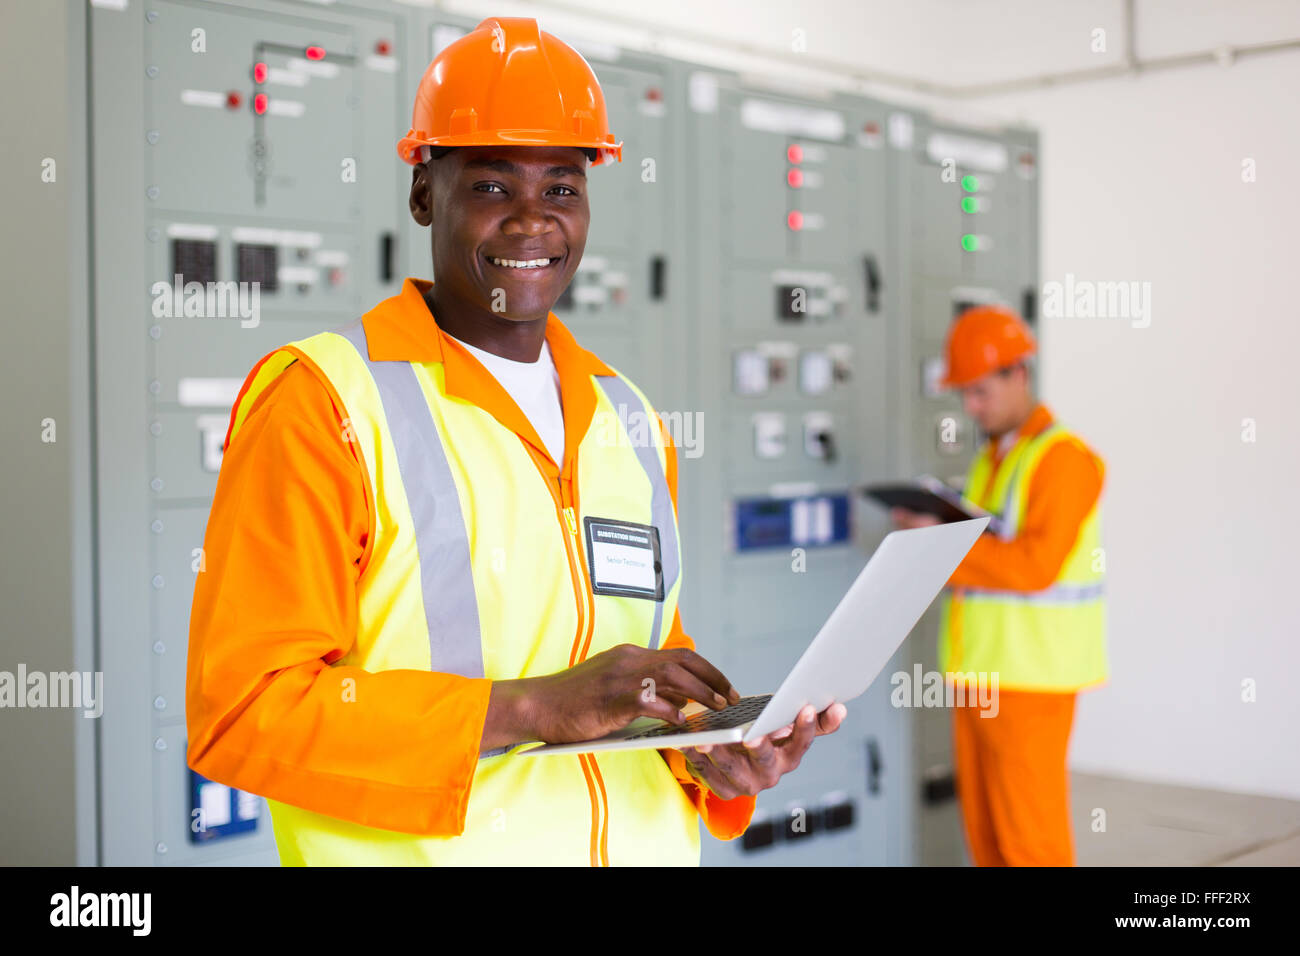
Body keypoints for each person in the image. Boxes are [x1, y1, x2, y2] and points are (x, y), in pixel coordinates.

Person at [185, 16, 845, 866]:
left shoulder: (628, 418)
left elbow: (640, 666)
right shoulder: (324, 403)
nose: (533, 221)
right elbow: (244, 712)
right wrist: (530, 707)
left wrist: (709, 752)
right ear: (426, 194)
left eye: (562, 188)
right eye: (493, 186)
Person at [891, 305, 1107, 866]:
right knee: (988, 842)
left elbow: (1035, 567)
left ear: (1019, 374)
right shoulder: (995, 459)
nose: (971, 407)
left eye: (981, 391)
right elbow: (988, 555)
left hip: (1030, 685)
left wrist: (941, 544)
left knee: (1030, 846)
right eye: (963, 394)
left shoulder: (1064, 461)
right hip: (980, 678)